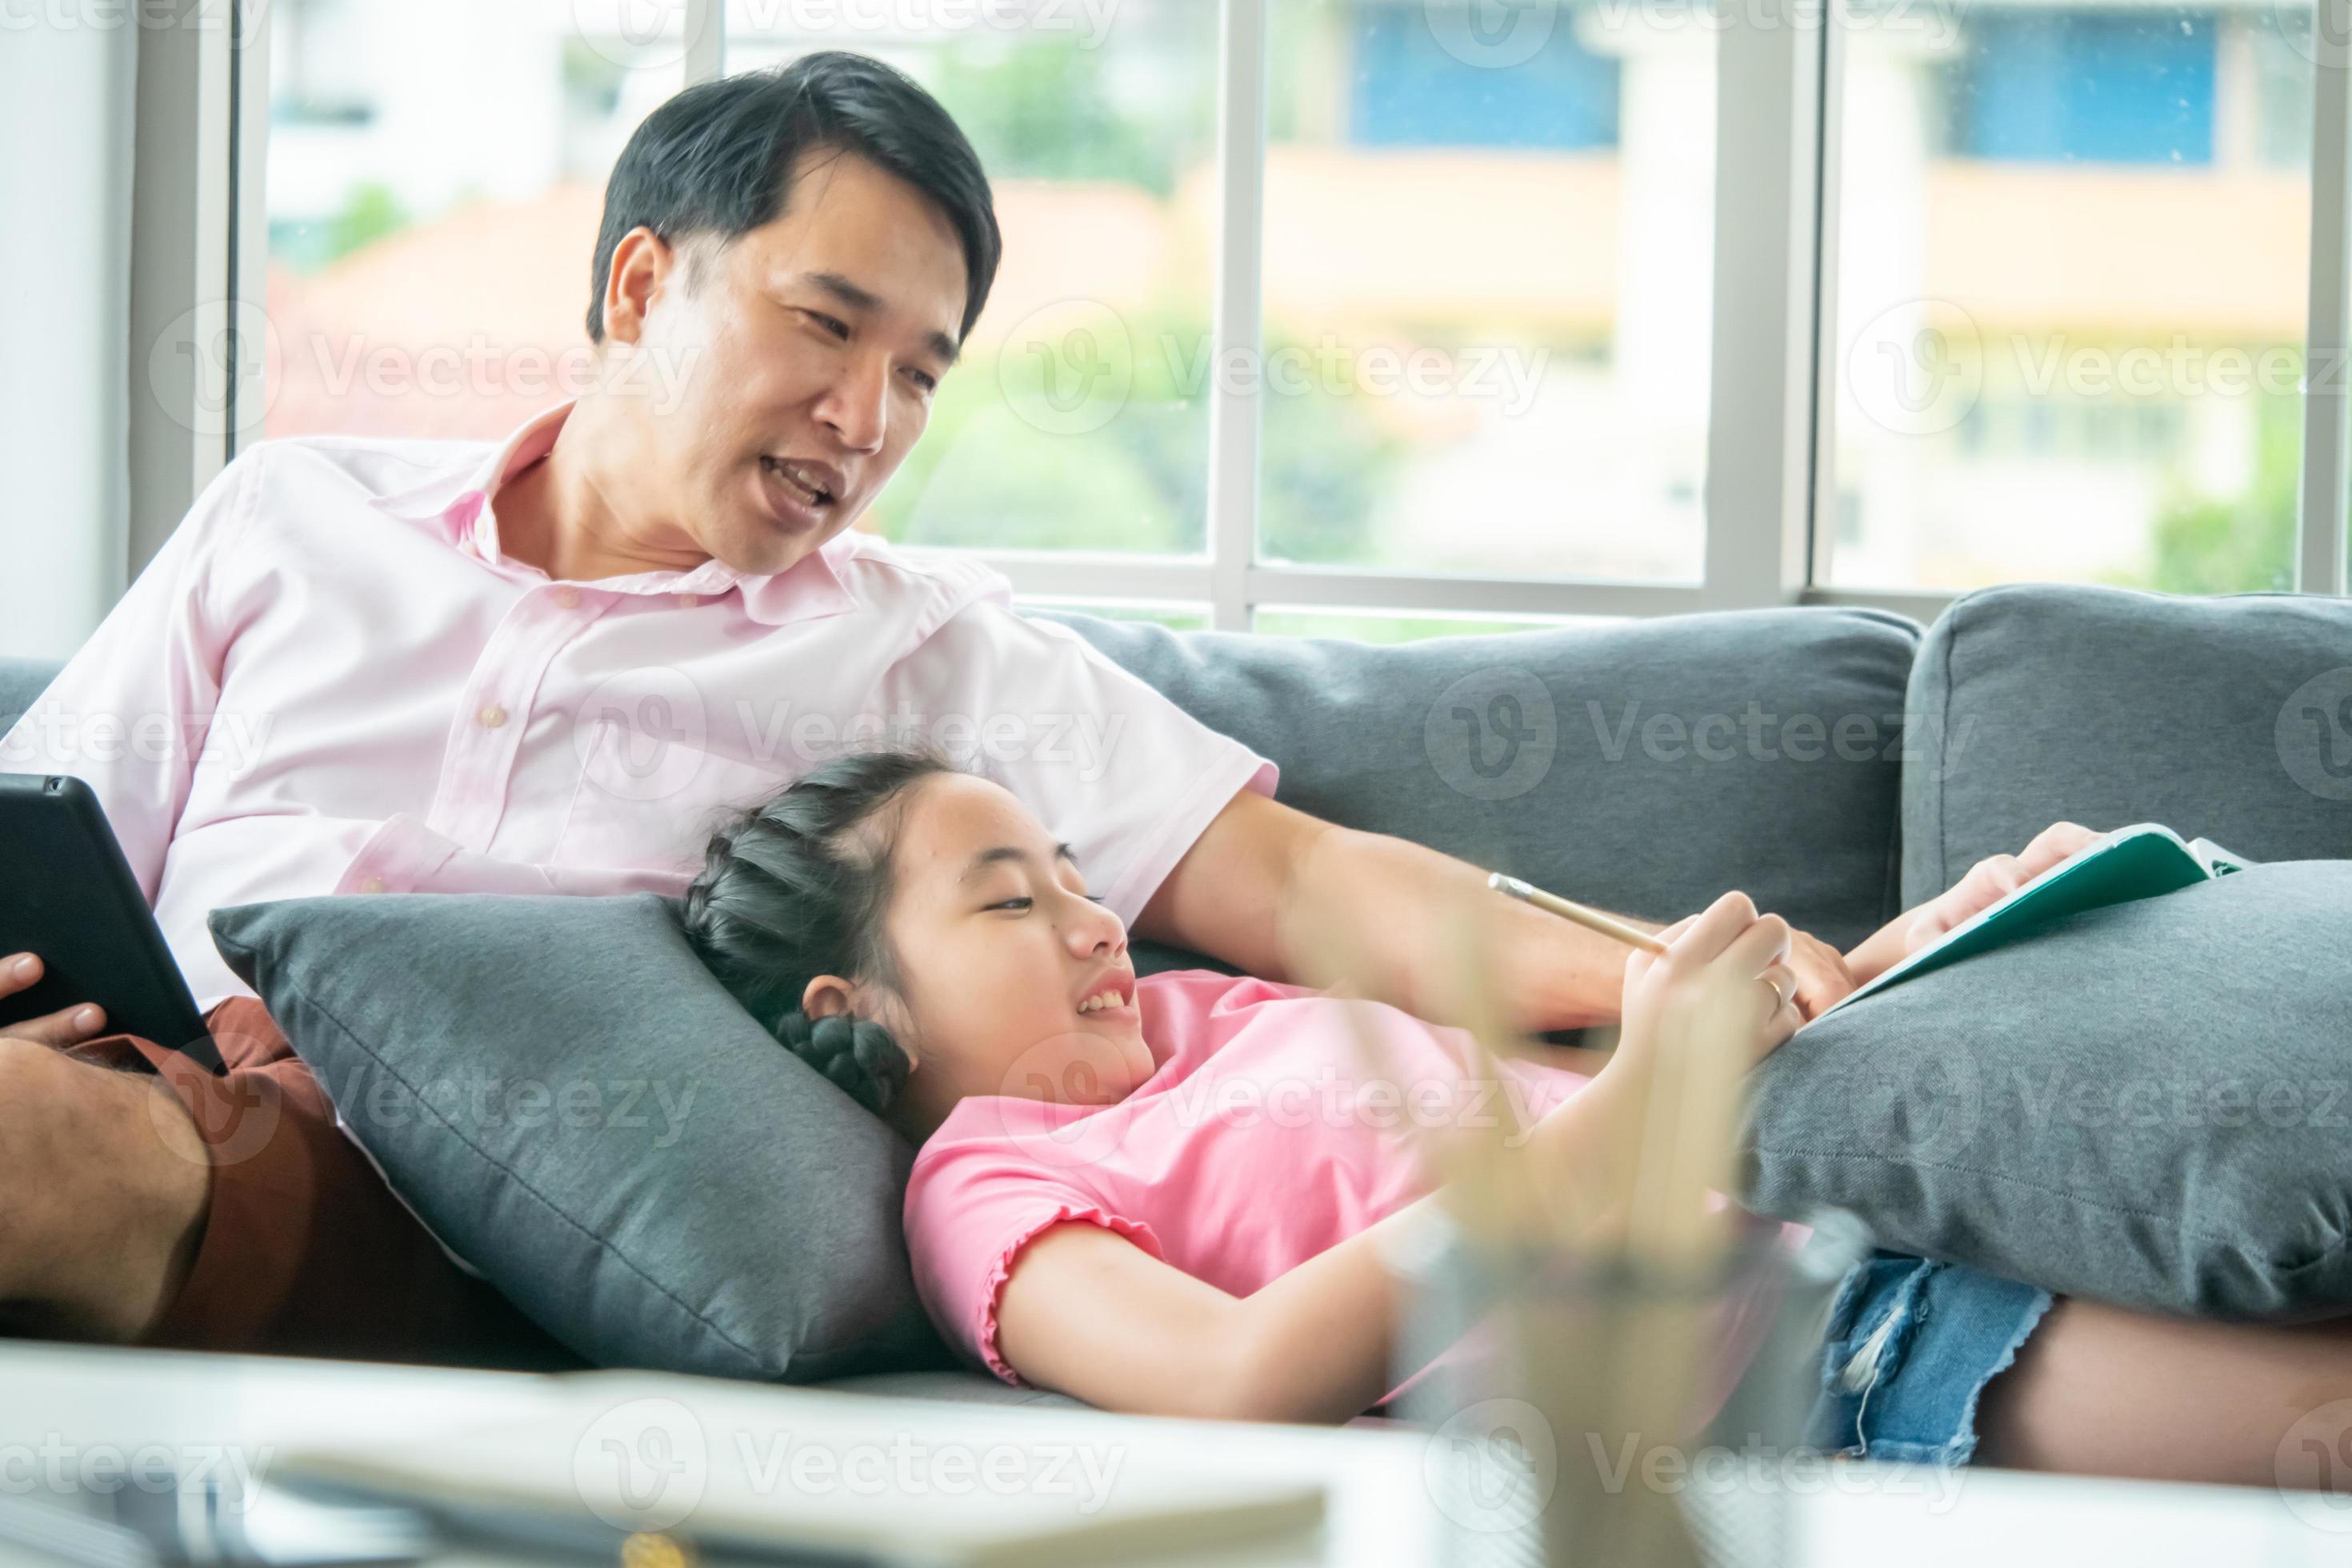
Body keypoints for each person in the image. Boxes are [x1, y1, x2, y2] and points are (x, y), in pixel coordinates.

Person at [0, 52, 1861, 1362]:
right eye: (826, 327)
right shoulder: (289, 514)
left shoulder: (912, 649)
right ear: (644, 283)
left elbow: (1298, 886)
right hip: (109, 1047)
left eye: (921, 372)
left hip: (402, 1171)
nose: (869, 418)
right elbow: (52, 815)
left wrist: (1677, 967)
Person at [684, 750, 2352, 1487]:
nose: (1093, 918)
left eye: (1072, 871)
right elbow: (1229, 1379)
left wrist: (1918, 964)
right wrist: (1638, 1103)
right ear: (860, 1008)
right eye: (1007, 904)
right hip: (1837, 1336)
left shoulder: (1211, 1011)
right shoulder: (992, 1181)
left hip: (1868, 1165)